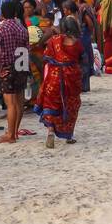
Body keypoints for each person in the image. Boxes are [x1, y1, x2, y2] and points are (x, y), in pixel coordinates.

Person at [35, 17, 84, 149]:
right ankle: (69, 135)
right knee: (71, 104)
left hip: (54, 77)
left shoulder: (54, 41)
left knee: (51, 103)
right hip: (71, 78)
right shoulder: (77, 43)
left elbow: (46, 57)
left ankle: (50, 132)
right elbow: (80, 59)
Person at [0, 1, 30, 144]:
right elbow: (27, 49)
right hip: (21, 66)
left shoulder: (0, 29)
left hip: (7, 67)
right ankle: (14, 132)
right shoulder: (22, 28)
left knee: (11, 103)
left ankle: (11, 135)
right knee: (19, 102)